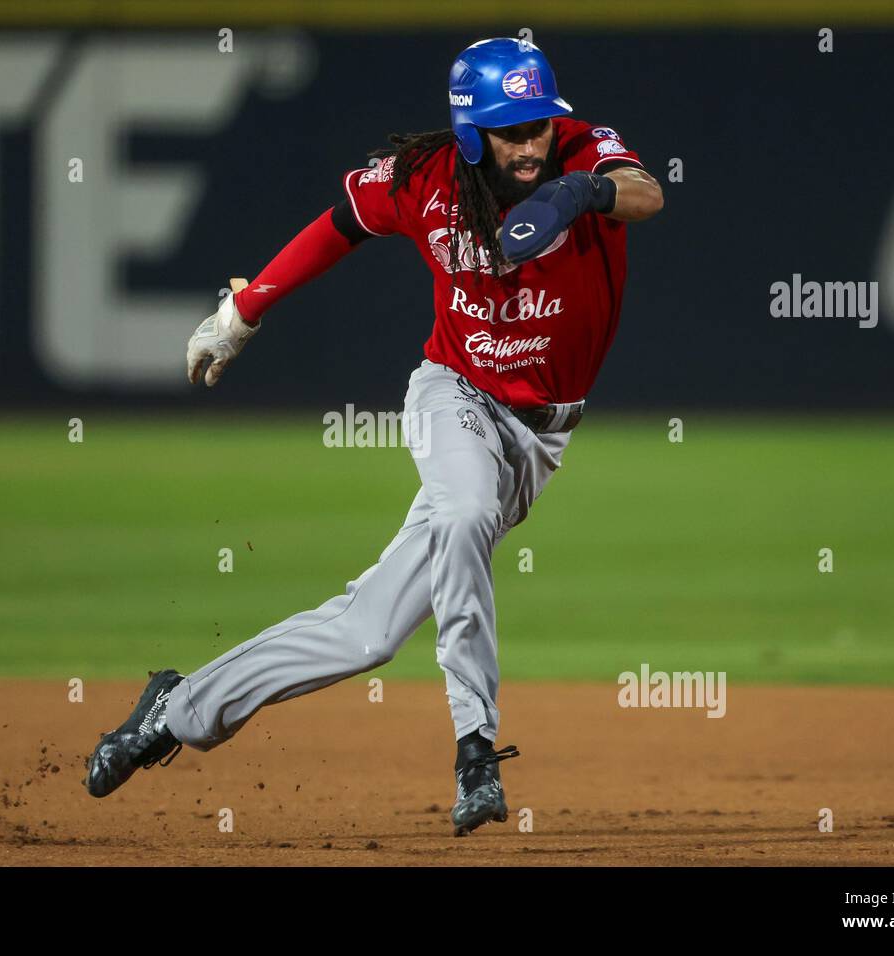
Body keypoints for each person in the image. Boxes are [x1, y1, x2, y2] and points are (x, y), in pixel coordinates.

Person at [85, 37, 663, 836]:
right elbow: (336, 226)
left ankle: (174, 711)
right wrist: (244, 312)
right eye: (509, 129)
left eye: (536, 123)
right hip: (452, 395)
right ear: (469, 131)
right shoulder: (424, 182)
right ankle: (475, 746)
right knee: (462, 513)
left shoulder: (578, 151)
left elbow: (644, 192)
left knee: (367, 633)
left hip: (538, 440)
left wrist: (576, 197)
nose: (529, 142)